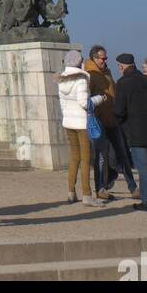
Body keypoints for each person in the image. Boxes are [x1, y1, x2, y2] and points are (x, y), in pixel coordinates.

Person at [85, 44, 137, 199]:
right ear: (94, 58)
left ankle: (133, 187)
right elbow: (87, 99)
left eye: (106, 58)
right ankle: (100, 188)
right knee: (100, 157)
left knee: (123, 154)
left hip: (113, 119)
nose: (105, 61)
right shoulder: (89, 74)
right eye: (103, 58)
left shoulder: (107, 71)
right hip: (99, 120)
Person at [57, 48, 104, 206]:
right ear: (79, 63)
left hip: (68, 122)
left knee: (74, 157)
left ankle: (71, 191)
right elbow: (84, 103)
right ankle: (87, 194)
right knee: (85, 158)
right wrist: (99, 98)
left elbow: (63, 104)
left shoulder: (62, 80)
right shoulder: (81, 80)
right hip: (81, 123)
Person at [113, 52, 147, 212]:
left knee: (143, 167)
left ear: (121, 66)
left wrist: (120, 125)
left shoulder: (123, 83)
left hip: (135, 132)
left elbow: (119, 110)